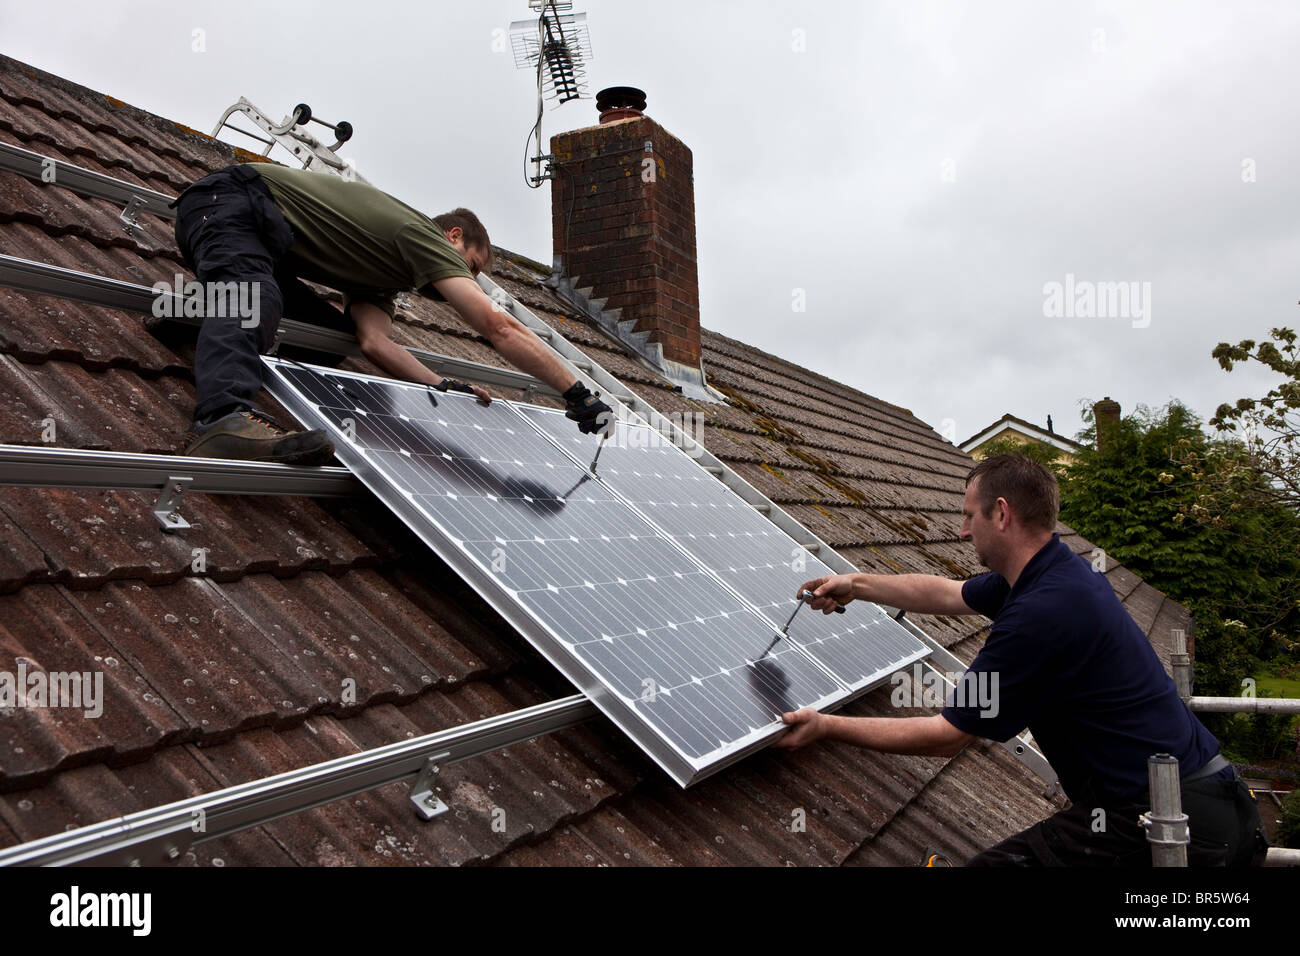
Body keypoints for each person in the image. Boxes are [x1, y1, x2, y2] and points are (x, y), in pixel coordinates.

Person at [775, 453, 1267, 866]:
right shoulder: (1049, 571)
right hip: (1215, 805)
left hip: (1173, 824)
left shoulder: (1039, 614)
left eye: (970, 516)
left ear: (1002, 514)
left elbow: (946, 736)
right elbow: (947, 593)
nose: (963, 532)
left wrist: (826, 726)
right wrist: (855, 584)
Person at [169, 163, 611, 464]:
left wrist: (440, 384)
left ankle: (197, 314)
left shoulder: (383, 274)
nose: (468, 279)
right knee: (257, 297)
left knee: (325, 334)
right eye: (470, 266)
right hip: (229, 202)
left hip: (258, 241)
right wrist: (576, 392)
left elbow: (372, 341)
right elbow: (498, 326)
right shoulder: (424, 236)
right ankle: (219, 420)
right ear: (453, 238)